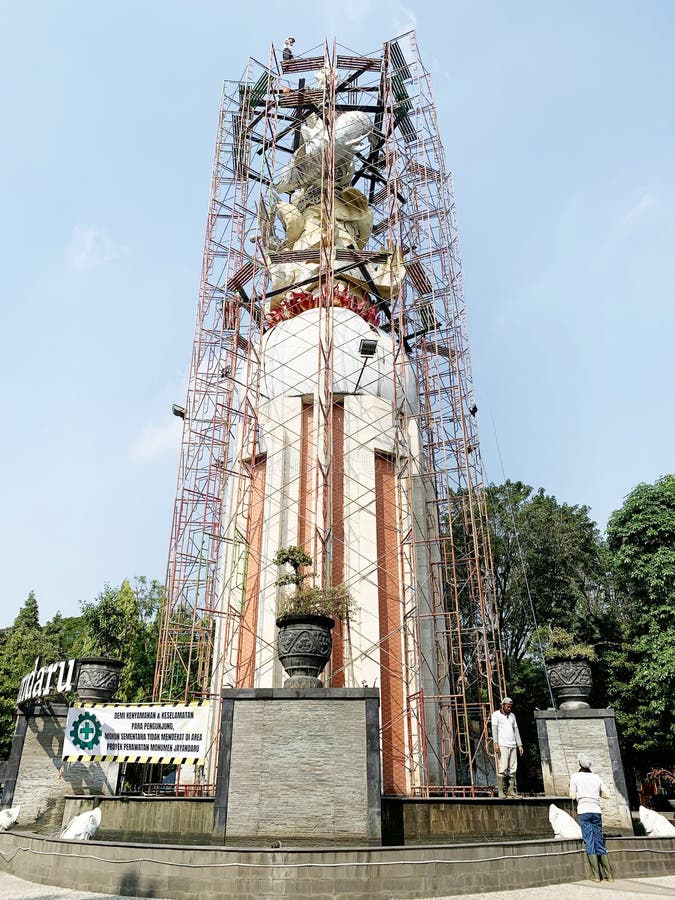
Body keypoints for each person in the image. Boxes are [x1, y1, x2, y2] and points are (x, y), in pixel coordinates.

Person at [569, 753, 614, 882]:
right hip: (596, 811)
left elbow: (572, 795)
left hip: (584, 811)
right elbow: (607, 794)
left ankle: (596, 876)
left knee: (589, 841)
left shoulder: (575, 776)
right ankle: (609, 876)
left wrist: (577, 794)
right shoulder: (597, 777)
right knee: (599, 840)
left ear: (579, 764)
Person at [491, 696, 523, 798]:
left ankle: (510, 790)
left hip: (512, 744)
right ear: (503, 705)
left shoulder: (512, 716)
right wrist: (495, 743)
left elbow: (516, 730)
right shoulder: (496, 715)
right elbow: (494, 730)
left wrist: (519, 744)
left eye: (510, 707)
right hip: (503, 744)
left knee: (513, 768)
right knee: (503, 767)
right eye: (507, 706)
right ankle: (500, 791)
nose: (509, 708)